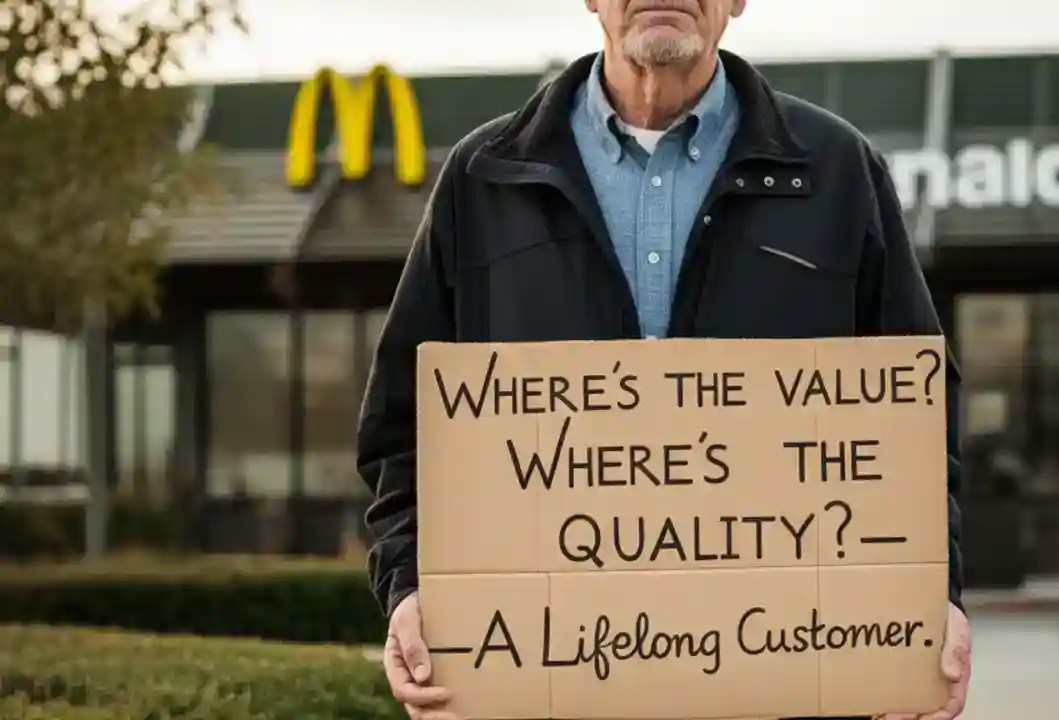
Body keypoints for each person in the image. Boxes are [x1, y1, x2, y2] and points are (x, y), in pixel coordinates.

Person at [355, 1, 972, 719]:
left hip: (783, 688)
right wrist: (410, 589)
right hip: (546, 691)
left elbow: (916, 428)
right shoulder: (484, 179)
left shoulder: (838, 172)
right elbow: (404, 433)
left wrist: (933, 600)